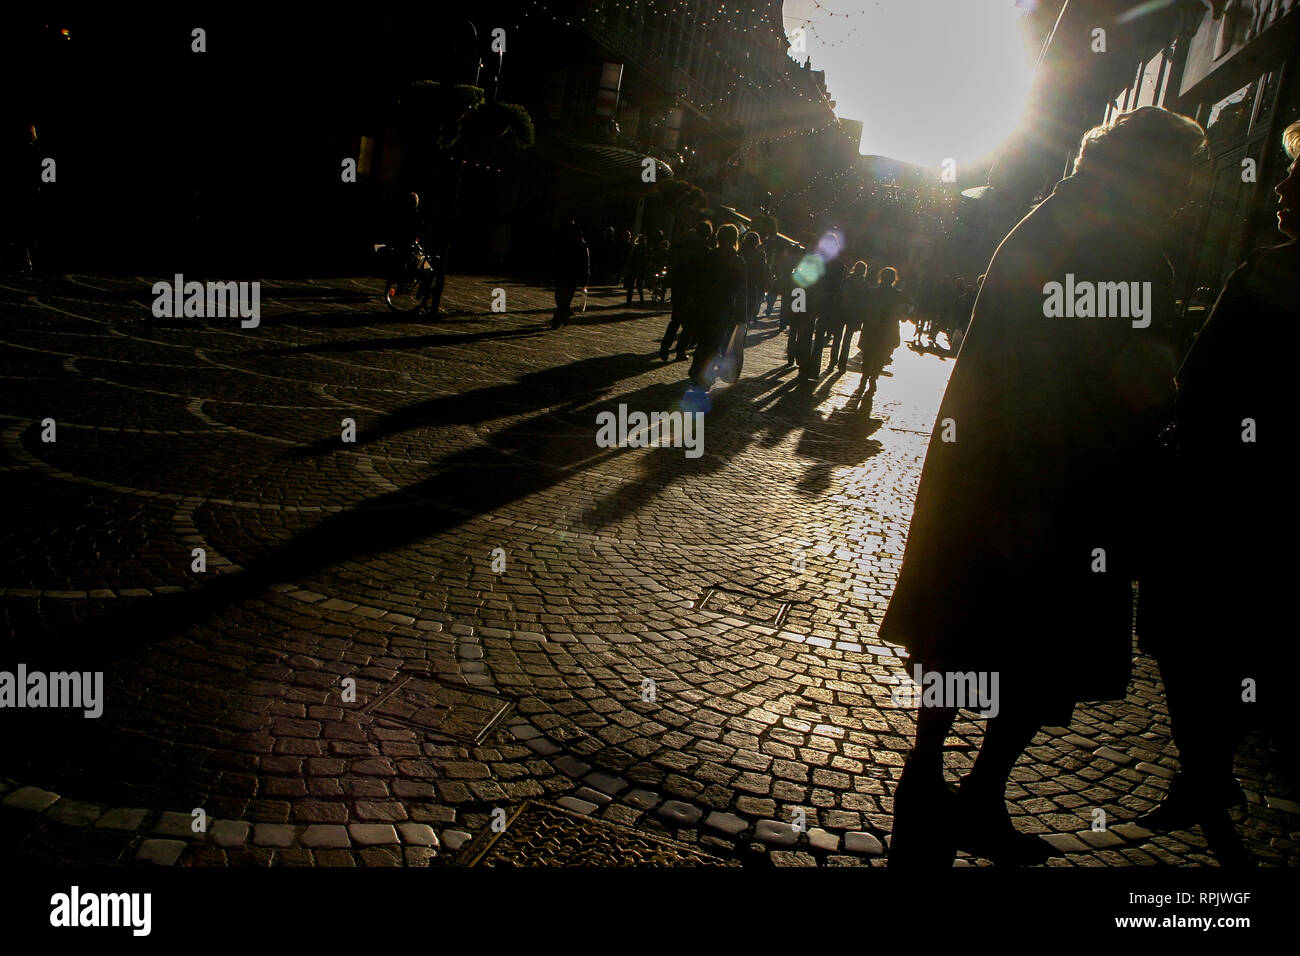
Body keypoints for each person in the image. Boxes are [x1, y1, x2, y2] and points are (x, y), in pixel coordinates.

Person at [882, 106, 1206, 868]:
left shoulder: (1047, 220)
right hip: (1065, 487)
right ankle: (981, 795)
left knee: (962, 622)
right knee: (1037, 650)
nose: (1188, 194)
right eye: (1181, 176)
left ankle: (927, 775)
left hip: (987, 468)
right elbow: (1133, 384)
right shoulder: (1126, 250)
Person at [1135, 119, 1300, 867]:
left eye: (1297, 176)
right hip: (1261, 500)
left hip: (1221, 494)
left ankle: (1204, 769)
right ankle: (1209, 769)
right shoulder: (1266, 266)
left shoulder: (1267, 271)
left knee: (1184, 630)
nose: (1281, 186)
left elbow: (1200, 379)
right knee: (1242, 641)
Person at [689, 223, 746, 388]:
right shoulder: (738, 261)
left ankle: (697, 369)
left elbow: (697, 280)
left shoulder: (708, 256)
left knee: (704, 339)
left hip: (706, 304)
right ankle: (700, 373)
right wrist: (742, 315)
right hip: (724, 307)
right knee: (714, 342)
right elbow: (742, 290)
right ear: (735, 240)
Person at [661, 220, 712, 362]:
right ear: (707, 235)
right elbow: (704, 275)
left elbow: (674, 264)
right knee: (689, 324)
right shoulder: (705, 252)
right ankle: (680, 351)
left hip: (679, 288)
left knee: (675, 320)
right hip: (694, 292)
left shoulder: (683, 246)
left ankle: (664, 347)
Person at [856, 266, 906, 389]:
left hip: (871, 327)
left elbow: (864, 309)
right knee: (881, 353)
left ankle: (865, 375)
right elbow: (902, 314)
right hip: (887, 330)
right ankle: (873, 376)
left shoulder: (871, 292)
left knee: (868, 353)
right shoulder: (898, 295)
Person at [550, 220, 589, 329]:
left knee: (565, 299)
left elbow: (585, 264)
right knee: (558, 297)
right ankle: (566, 314)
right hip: (562, 273)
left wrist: (585, 282)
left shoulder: (582, 246)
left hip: (573, 277)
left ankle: (557, 320)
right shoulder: (563, 243)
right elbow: (556, 258)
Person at [740, 231, 768, 328]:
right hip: (751, 288)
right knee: (745, 319)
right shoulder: (760, 256)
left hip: (737, 287)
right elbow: (762, 274)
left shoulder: (740, 253)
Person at [624, 234, 650, 305]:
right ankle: (630, 301)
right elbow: (633, 259)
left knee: (638, 286)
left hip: (639, 269)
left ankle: (640, 301)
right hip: (636, 268)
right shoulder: (638, 248)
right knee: (633, 286)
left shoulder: (644, 249)